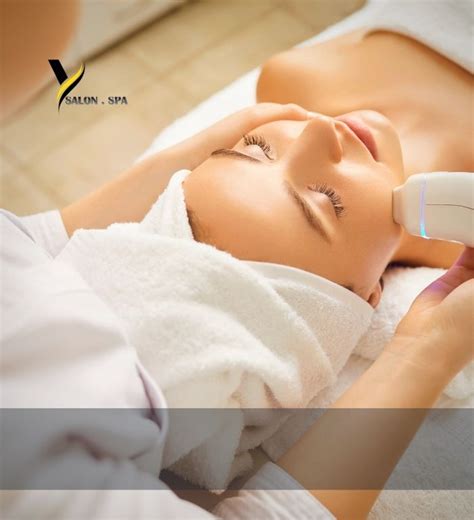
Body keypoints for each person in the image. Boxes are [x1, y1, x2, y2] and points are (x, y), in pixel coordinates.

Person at [1, 1, 472, 519]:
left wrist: (193, 157)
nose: (318, 130)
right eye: (326, 202)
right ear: (367, 297)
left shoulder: (292, 83)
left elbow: (20, 244)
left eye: (251, 148)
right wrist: (428, 349)